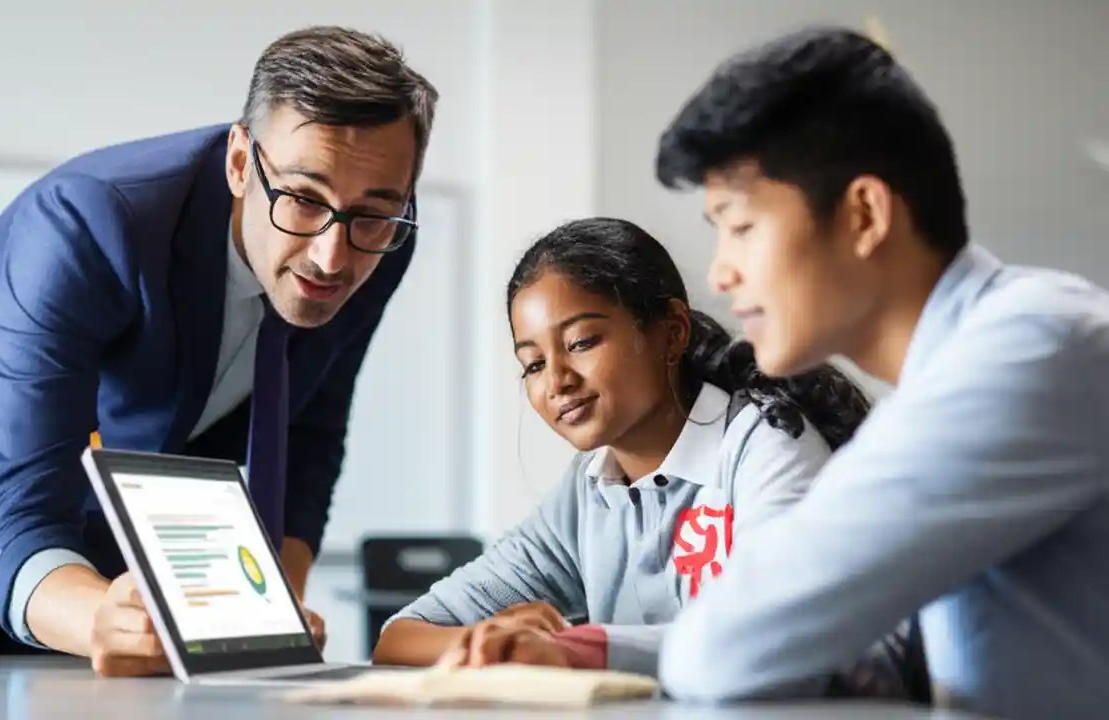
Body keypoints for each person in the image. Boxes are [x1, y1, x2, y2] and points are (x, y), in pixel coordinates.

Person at [0, 26, 437, 674]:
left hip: (117, 519)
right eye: (302, 199)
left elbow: (309, 426)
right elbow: (21, 505)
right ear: (239, 162)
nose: (331, 255)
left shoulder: (385, 236)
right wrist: (103, 621)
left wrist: (274, 600)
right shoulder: (89, 219)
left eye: (373, 212)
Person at [641, 26, 1109, 718]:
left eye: (739, 226)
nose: (720, 271)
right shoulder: (963, 368)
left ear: (864, 214)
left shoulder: (1032, 347)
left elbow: (724, 648)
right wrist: (587, 647)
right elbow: (875, 658)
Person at [372, 218, 915, 693]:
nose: (557, 381)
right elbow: (401, 637)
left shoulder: (764, 445)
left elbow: (772, 635)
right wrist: (489, 642)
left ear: (671, 333)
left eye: (582, 342)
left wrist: (578, 649)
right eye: (533, 364)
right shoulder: (587, 491)